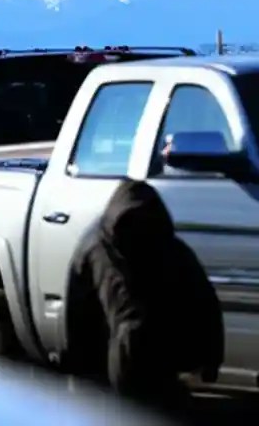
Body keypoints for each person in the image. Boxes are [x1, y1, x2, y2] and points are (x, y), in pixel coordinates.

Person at [65, 177, 224, 415]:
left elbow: (204, 300)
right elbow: (204, 303)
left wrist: (210, 359)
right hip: (121, 359)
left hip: (143, 356)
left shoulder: (162, 246)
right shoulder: (107, 254)